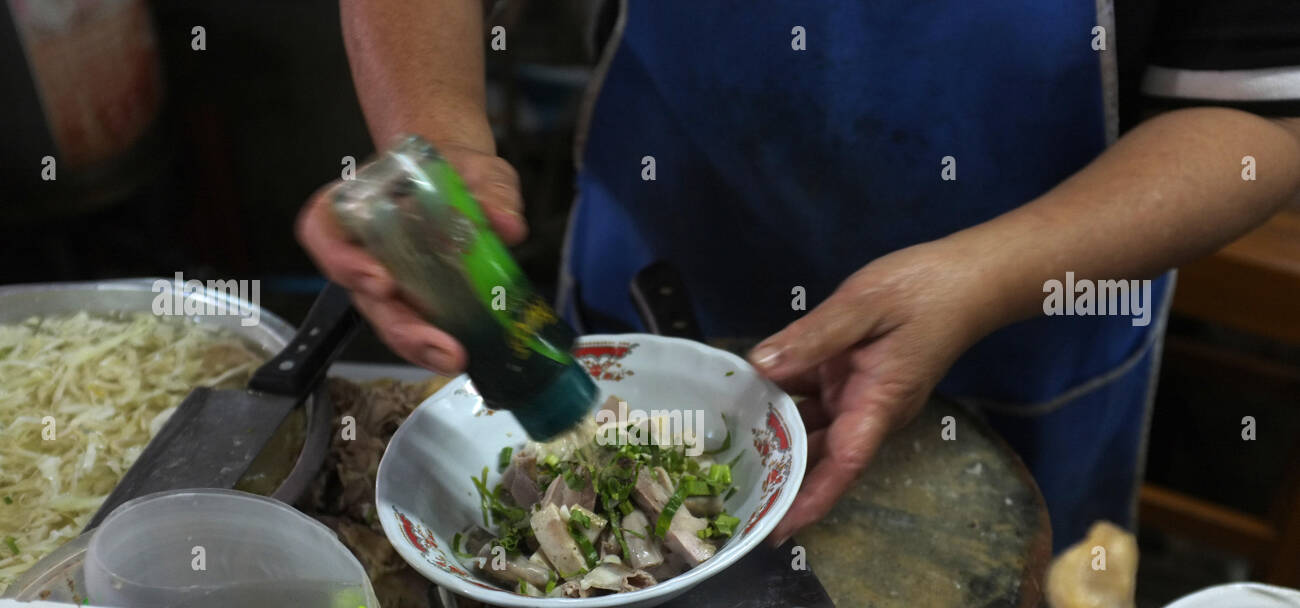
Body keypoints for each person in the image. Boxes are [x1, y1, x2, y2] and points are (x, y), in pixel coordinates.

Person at [299, 0, 1300, 549]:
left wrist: (985, 276)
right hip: (658, 272)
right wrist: (432, 152)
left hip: (1026, 321)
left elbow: (1259, 118)